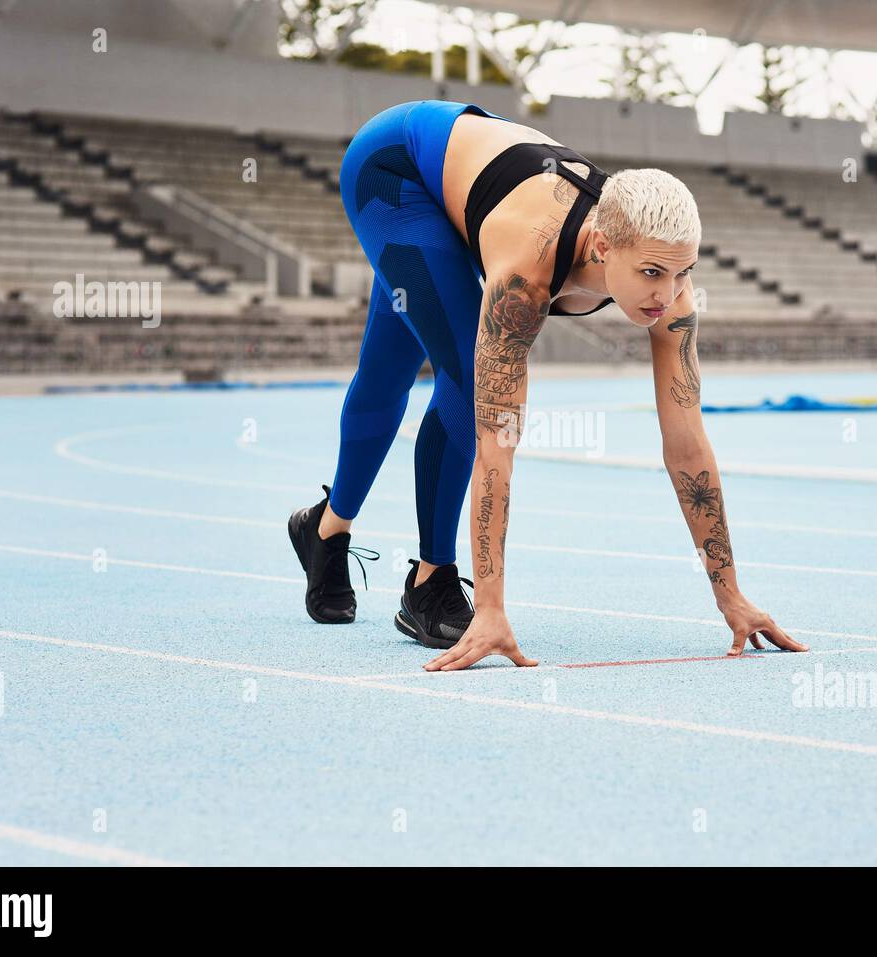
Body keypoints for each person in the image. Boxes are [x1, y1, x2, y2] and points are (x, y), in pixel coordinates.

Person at [288, 98, 806, 670]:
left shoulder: (666, 279)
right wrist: (491, 608)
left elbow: (686, 442)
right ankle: (430, 581)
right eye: (652, 275)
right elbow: (496, 444)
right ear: (604, 248)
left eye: (684, 272)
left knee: (391, 360)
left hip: (469, 184)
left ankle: (325, 530)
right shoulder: (527, 267)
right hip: (394, 170)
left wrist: (731, 596)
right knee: (462, 375)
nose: (668, 294)